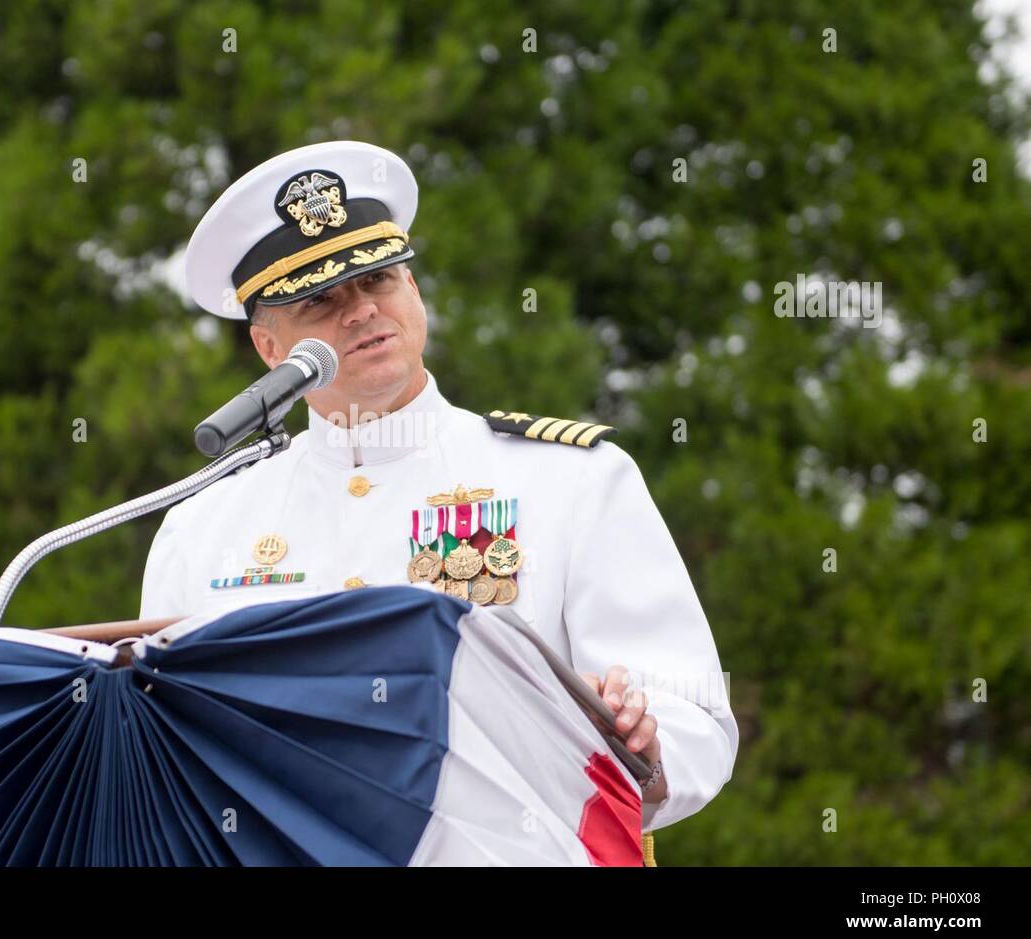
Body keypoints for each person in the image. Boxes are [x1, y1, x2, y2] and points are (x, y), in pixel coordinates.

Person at [141, 140, 737, 834]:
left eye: (377, 281)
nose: (361, 311)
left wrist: (647, 744)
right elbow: (167, 756)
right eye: (320, 301)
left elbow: (692, 713)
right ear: (270, 349)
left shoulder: (570, 479)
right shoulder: (205, 525)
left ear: (413, 292)